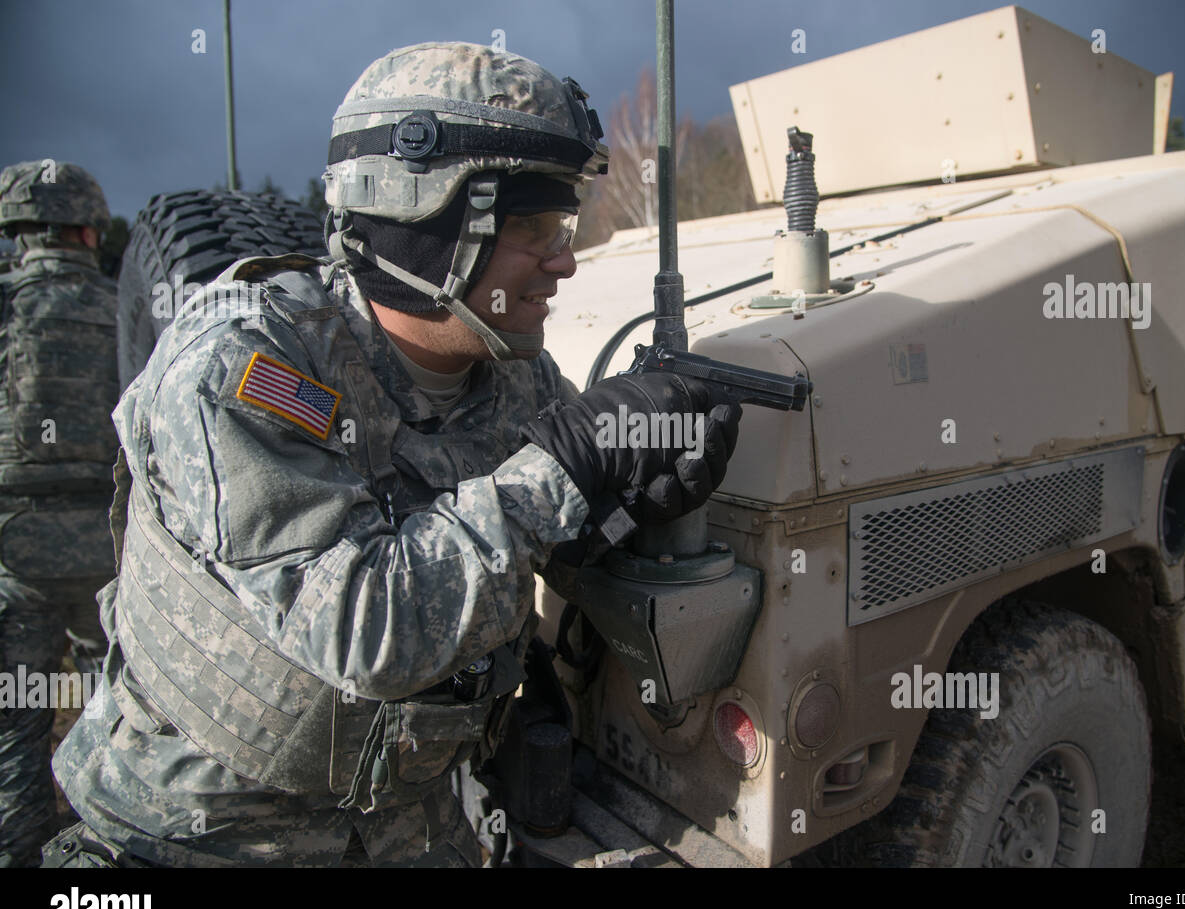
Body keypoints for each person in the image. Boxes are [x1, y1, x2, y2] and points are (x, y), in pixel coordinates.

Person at [45, 41, 741, 867]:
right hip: (196, 840)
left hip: (407, 830)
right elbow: (364, 631)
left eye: (564, 226)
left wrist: (639, 488)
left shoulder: (514, 377)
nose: (563, 259)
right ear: (425, 223)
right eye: (533, 227)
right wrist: (572, 459)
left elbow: (547, 532)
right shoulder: (247, 366)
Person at [0, 161, 118, 867]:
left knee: (17, 726)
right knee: (120, 718)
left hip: (16, 553)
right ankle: (107, 866)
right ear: (86, 228)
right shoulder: (122, 307)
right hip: (108, 547)